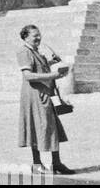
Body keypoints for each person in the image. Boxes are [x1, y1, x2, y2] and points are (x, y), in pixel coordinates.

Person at [17, 24, 73, 175]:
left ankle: (56, 163)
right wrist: (53, 75)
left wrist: (51, 63)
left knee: (52, 126)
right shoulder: (24, 51)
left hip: (45, 93)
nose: (38, 38)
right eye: (35, 35)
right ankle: (37, 164)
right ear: (25, 37)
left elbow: (38, 67)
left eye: (39, 35)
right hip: (35, 95)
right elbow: (28, 75)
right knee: (37, 127)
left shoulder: (35, 51)